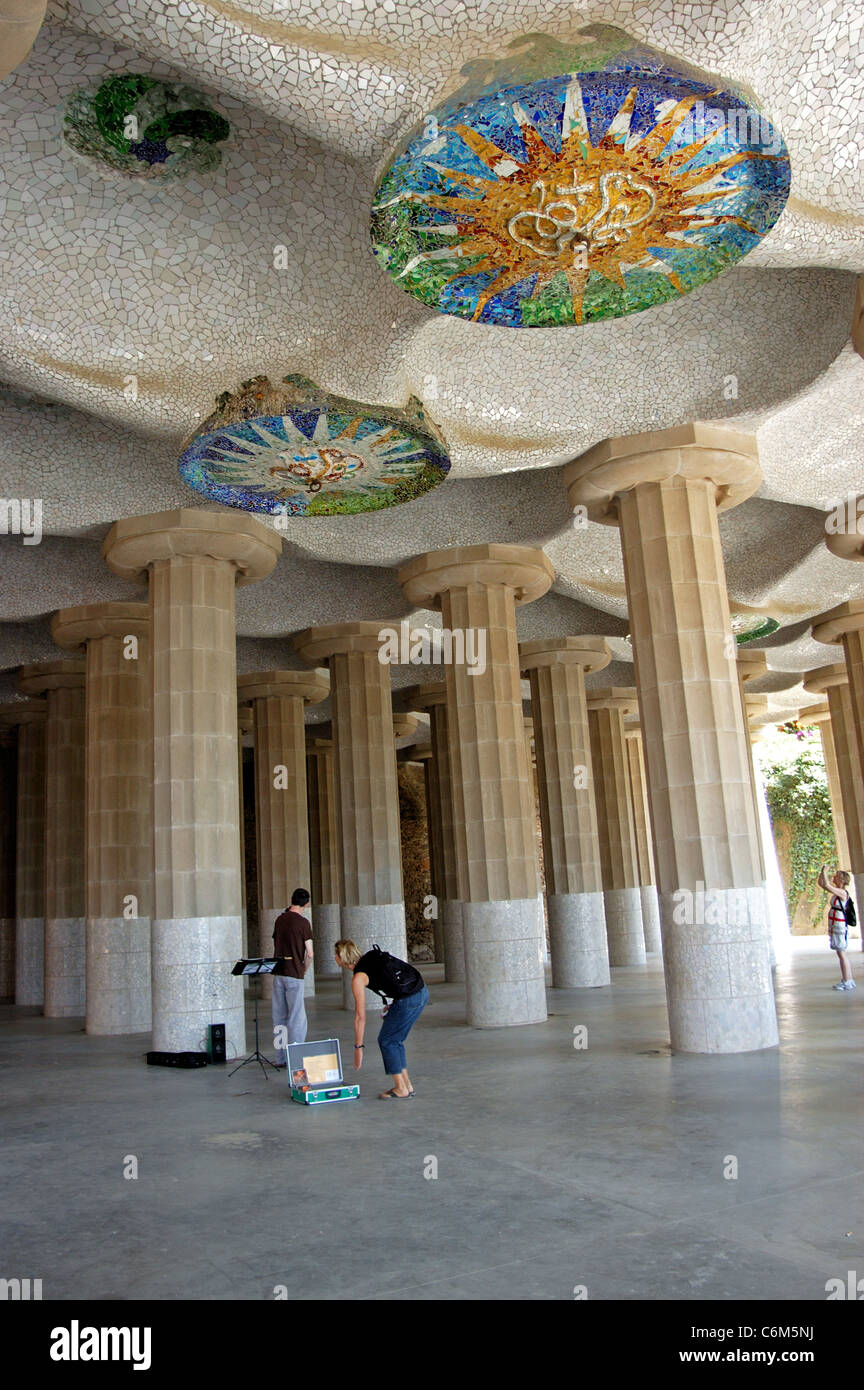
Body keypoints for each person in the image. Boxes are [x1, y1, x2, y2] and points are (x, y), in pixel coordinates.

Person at [334, 940, 428, 1099]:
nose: (334, 957)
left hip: (409, 999)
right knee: (395, 1040)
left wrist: (358, 1047)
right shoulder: (371, 957)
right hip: (420, 992)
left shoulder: (358, 978)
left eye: (335, 954)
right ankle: (407, 1086)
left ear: (341, 957)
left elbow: (360, 1017)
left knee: (387, 1040)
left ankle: (401, 1088)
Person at [271, 889, 314, 1066]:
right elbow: (310, 953)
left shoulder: (280, 919)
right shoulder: (303, 923)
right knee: (296, 1018)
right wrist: (303, 970)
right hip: (294, 973)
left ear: (291, 900)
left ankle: (280, 1058)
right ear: (306, 904)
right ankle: (295, 1057)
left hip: (279, 973)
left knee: (279, 1017)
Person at [817, 864, 856, 991]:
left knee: (842, 953)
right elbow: (822, 884)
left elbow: (827, 885)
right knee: (840, 953)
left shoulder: (843, 892)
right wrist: (822, 873)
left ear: (842, 880)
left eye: (836, 876)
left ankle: (847, 980)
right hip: (834, 924)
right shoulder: (837, 891)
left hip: (839, 925)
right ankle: (847, 979)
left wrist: (825, 871)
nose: (834, 877)